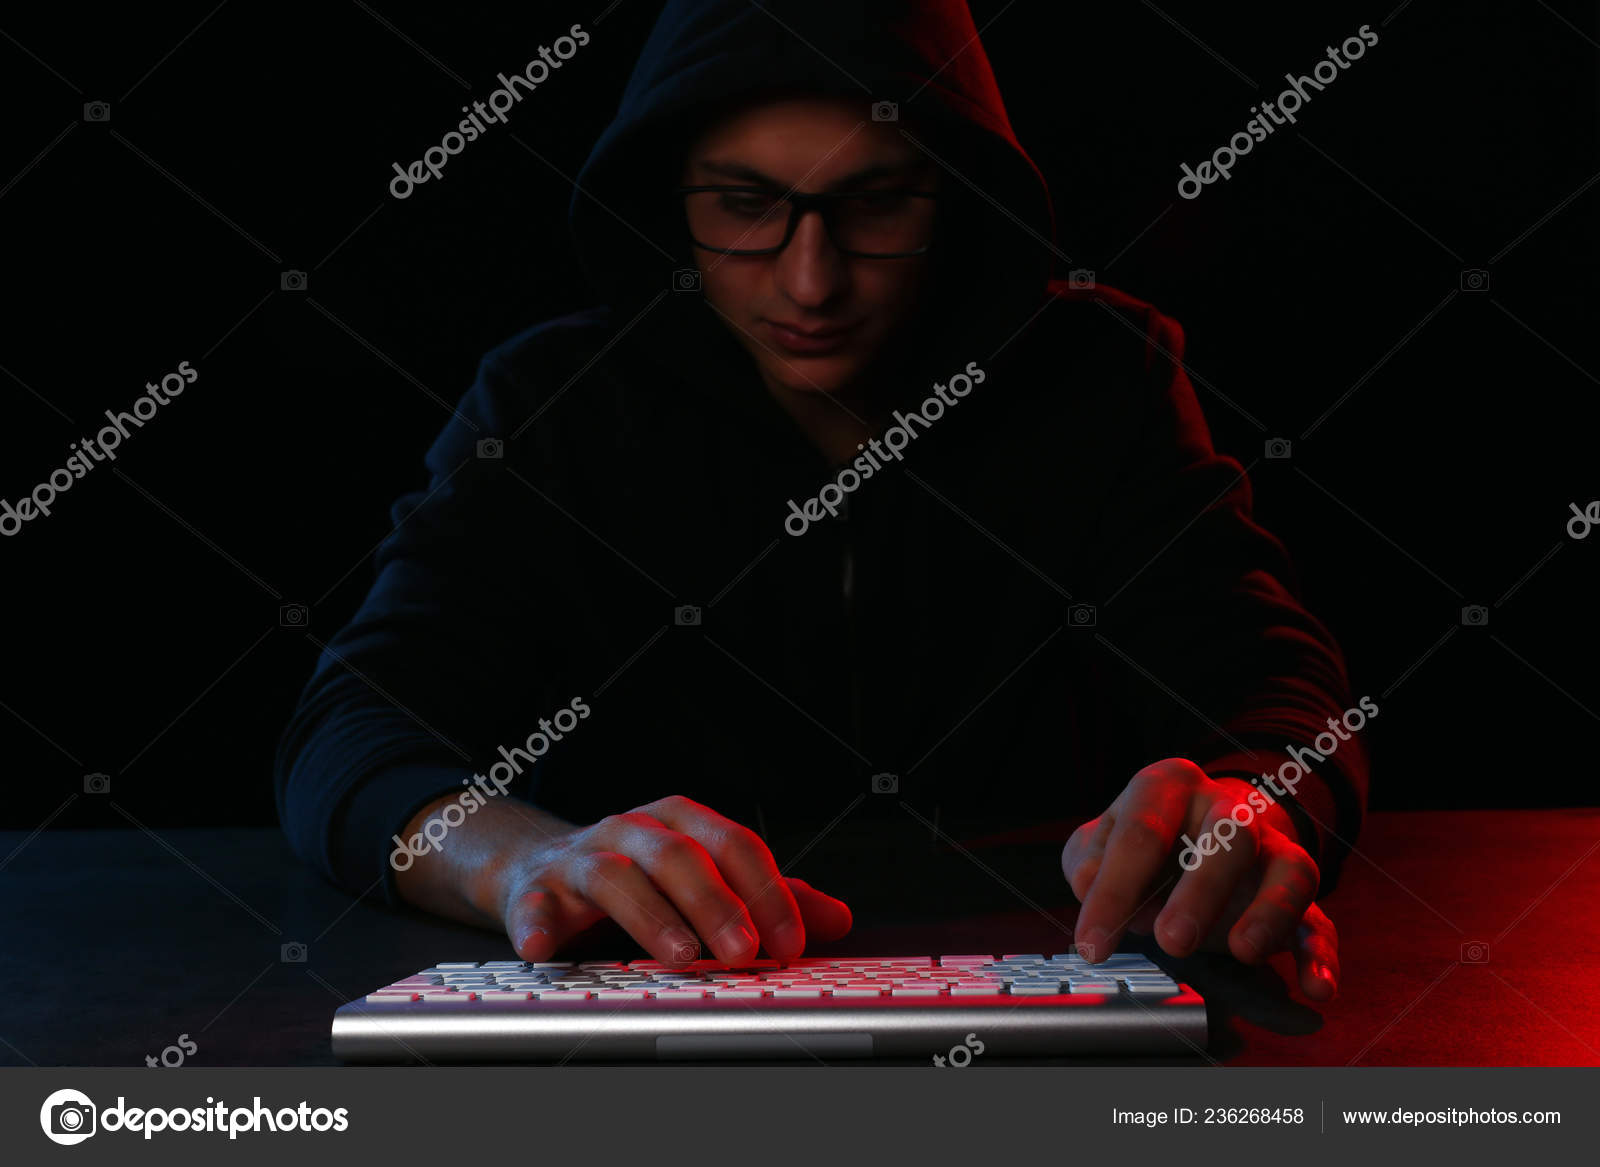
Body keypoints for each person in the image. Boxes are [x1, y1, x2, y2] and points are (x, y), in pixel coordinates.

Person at [276, 0, 1366, 1003]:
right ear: (669, 201)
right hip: (649, 1013)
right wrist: (522, 859)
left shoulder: (1103, 378)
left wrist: (1252, 800)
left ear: (954, 193)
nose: (811, 282)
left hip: (1046, 989)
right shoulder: (549, 404)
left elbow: (1273, 689)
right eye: (745, 206)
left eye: (874, 200)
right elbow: (356, 730)